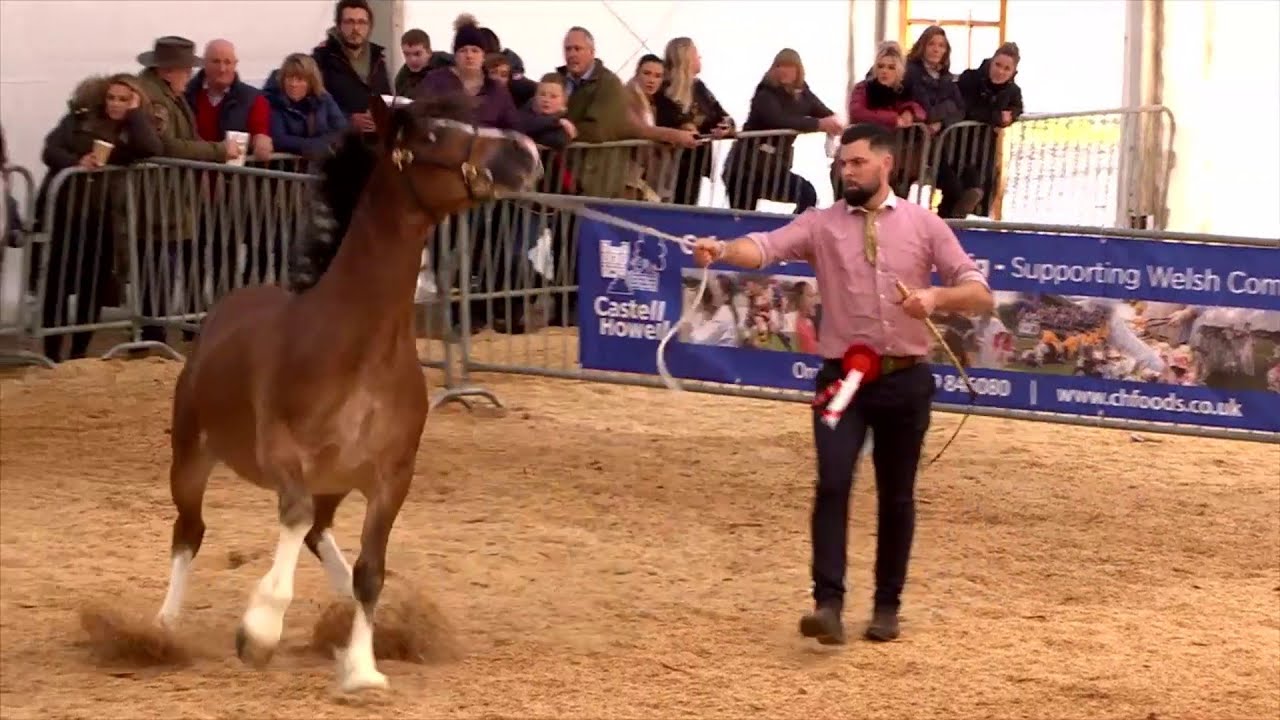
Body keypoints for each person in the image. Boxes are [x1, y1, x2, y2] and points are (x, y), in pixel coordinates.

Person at [691, 123, 994, 643]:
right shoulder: (821, 224)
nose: (845, 170)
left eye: (856, 162)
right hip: (845, 380)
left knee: (896, 495)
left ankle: (886, 606)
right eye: (842, 163)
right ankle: (827, 603)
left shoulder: (925, 225)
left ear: (885, 165)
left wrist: (935, 300)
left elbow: (979, 291)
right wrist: (722, 249)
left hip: (905, 379)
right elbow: (766, 246)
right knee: (832, 483)